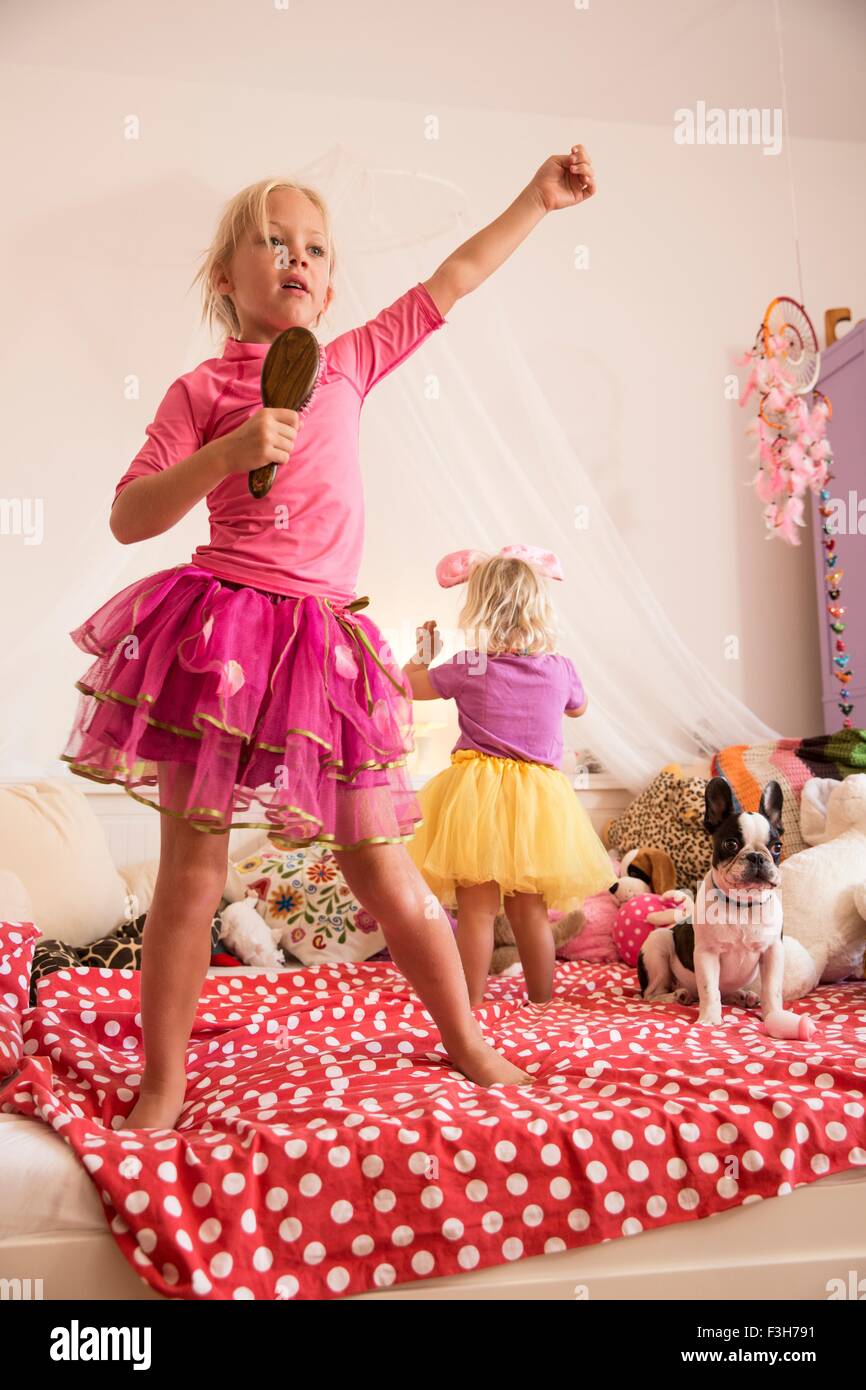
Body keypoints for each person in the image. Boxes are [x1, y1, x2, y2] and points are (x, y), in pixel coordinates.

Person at [61, 145, 596, 1127]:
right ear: (228, 275)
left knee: (385, 869)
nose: (295, 257)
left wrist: (535, 198)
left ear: (332, 278)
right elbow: (130, 515)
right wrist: (224, 450)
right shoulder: (199, 390)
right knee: (193, 871)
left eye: (313, 245)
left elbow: (456, 278)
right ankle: (163, 1081)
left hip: (322, 653)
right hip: (217, 641)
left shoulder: (349, 359)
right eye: (271, 241)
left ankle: (468, 1038)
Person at [404, 545, 615, 1007]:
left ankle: (469, 1008)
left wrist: (423, 653)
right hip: (539, 802)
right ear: (540, 609)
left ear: (479, 607)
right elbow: (579, 706)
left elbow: (406, 687)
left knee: (476, 913)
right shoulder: (559, 668)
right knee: (532, 913)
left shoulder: (469, 666)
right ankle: (541, 1002)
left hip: (477, 798)